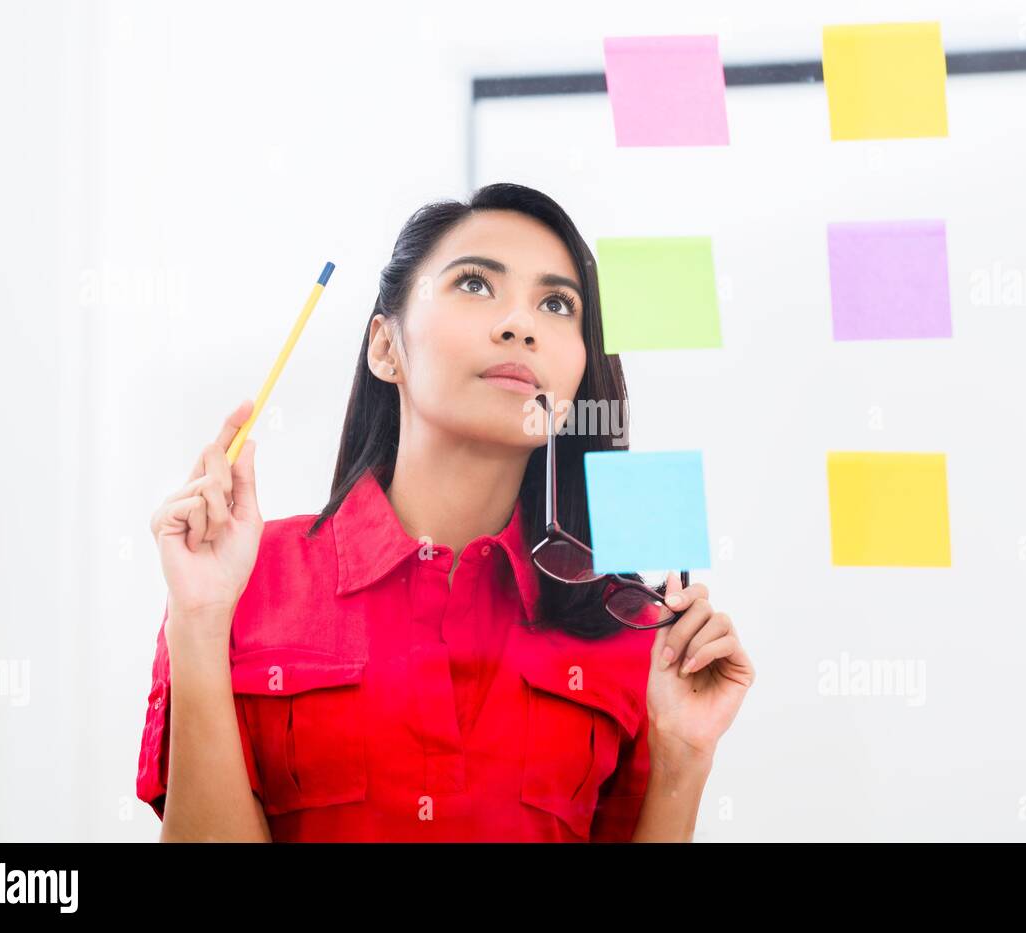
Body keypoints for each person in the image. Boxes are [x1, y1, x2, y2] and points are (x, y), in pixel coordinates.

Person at [137, 182, 755, 842]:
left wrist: (684, 756)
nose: (519, 325)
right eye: (475, 284)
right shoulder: (239, 583)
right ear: (385, 347)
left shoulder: (627, 621)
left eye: (556, 303)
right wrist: (200, 624)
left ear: (577, 383)